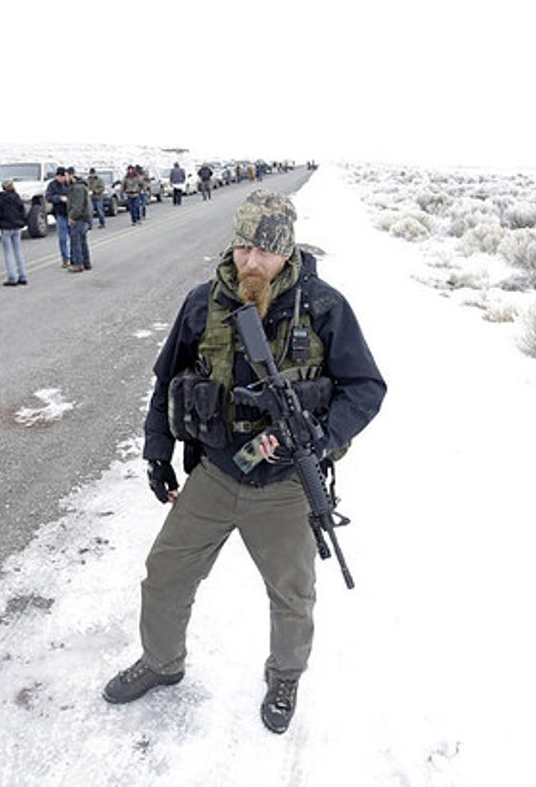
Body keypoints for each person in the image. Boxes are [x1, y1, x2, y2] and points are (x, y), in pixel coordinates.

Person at [102, 190, 386, 734]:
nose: (250, 262)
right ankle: (161, 663)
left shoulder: (324, 307)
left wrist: (317, 438)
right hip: (214, 472)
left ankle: (284, 676)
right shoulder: (200, 303)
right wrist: (157, 452)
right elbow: (167, 380)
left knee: (292, 594)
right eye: (241, 247)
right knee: (165, 574)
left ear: (286, 251)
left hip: (282, 485)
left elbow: (366, 388)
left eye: (263, 250)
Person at [0, 178, 29, 286]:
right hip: (17, 227)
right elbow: (22, 211)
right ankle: (23, 275)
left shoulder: (1, 198)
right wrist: (22, 222)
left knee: (8, 253)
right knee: (18, 252)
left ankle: (12, 277)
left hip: (6, 227)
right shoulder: (17, 197)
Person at [65, 167, 93, 273]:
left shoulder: (77, 188)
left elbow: (77, 206)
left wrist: (72, 217)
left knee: (76, 241)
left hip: (79, 218)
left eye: (67, 175)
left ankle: (78, 264)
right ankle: (86, 262)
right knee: (82, 240)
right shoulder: (80, 186)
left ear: (72, 176)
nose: (66, 178)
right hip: (84, 217)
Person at [45, 167, 72, 267]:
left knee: (73, 237)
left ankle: (73, 257)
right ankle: (65, 259)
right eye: (62, 176)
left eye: (65, 176)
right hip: (60, 214)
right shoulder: (52, 185)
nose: (64, 178)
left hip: (71, 214)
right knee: (62, 238)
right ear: (58, 176)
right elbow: (48, 197)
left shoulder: (69, 184)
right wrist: (59, 198)